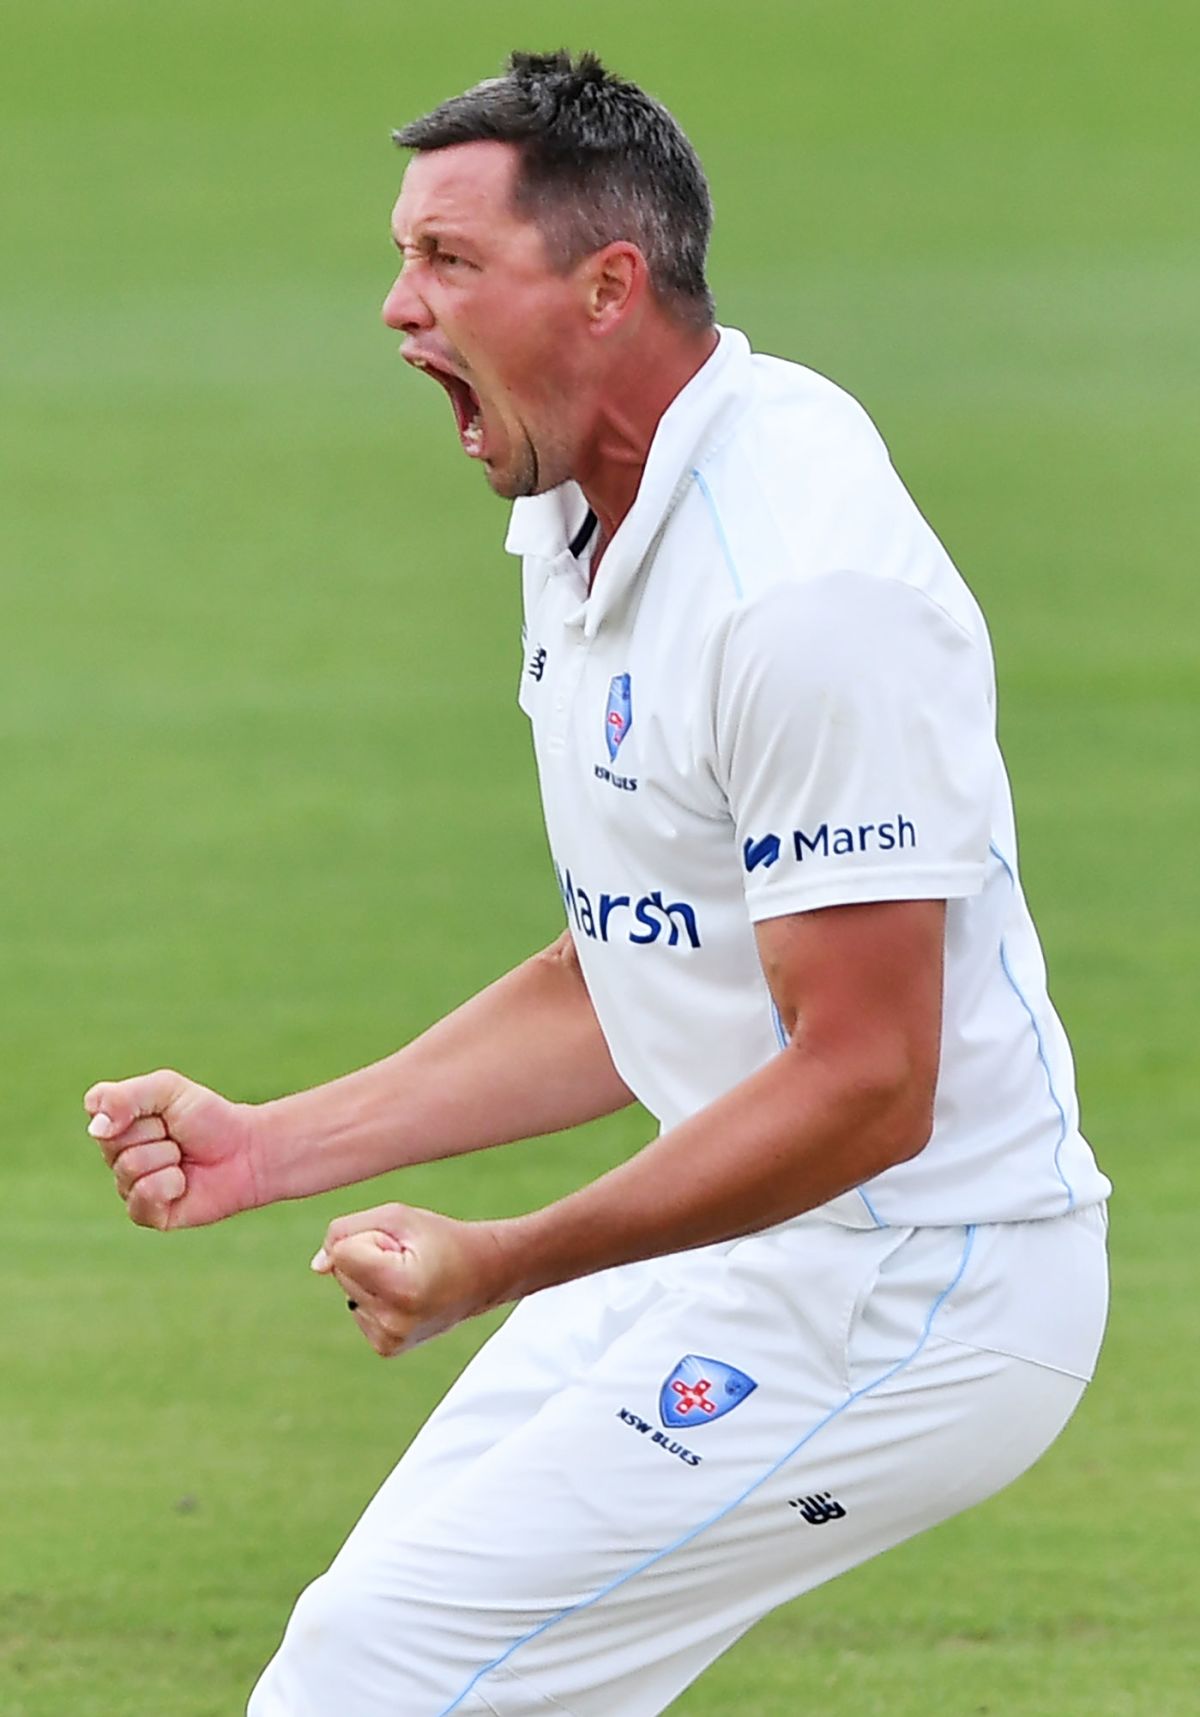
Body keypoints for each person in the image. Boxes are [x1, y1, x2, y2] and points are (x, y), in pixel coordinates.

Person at [86, 50, 1111, 1717]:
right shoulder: (578, 510)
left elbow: (866, 1083)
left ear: (608, 286)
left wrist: (506, 1254)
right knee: (374, 1659)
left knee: (386, 1677)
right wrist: (280, 1144)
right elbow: (626, 964)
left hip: (922, 1283)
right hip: (750, 1232)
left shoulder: (797, 585)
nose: (397, 308)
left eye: (448, 261)